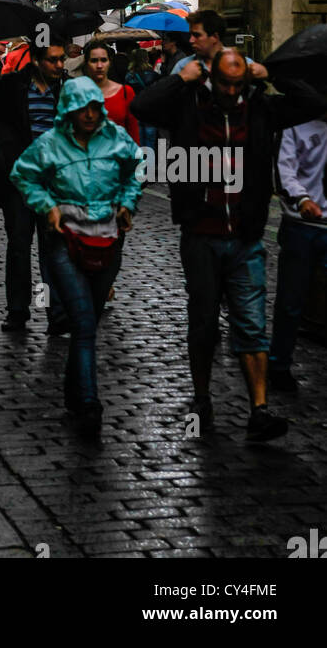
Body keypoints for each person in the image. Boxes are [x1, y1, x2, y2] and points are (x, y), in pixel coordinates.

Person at [132, 50, 326, 441]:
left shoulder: (261, 110)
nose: (232, 91)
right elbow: (142, 105)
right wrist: (179, 79)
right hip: (201, 235)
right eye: (226, 84)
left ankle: (259, 410)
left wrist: (273, 75)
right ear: (211, 79)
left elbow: (314, 103)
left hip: (245, 236)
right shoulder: (188, 108)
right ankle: (202, 398)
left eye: (239, 84)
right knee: (204, 323)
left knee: (252, 325)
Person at [11, 78, 143, 436]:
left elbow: (136, 169)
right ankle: (89, 403)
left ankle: (74, 391)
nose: (88, 115)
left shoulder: (116, 138)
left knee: (91, 320)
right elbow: (23, 175)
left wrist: (128, 203)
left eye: (93, 108)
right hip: (64, 243)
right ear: (68, 109)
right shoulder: (50, 144)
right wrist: (47, 206)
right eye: (80, 108)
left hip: (107, 242)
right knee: (83, 321)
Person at [0, 38, 70, 334]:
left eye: (62, 59)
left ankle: (52, 310)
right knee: (19, 249)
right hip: (21, 181)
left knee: (50, 249)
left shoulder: (65, 88)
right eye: (53, 60)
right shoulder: (13, 86)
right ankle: (18, 310)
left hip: (53, 181)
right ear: (37, 61)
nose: (59, 65)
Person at [268, 107, 327, 392]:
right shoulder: (296, 122)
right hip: (302, 225)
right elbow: (284, 170)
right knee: (291, 301)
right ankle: (279, 365)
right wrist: (302, 199)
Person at [81, 40, 140, 143]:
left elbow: (134, 134)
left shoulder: (126, 92)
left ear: (110, 62)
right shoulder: (77, 93)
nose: (99, 65)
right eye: (94, 60)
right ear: (86, 64)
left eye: (103, 60)